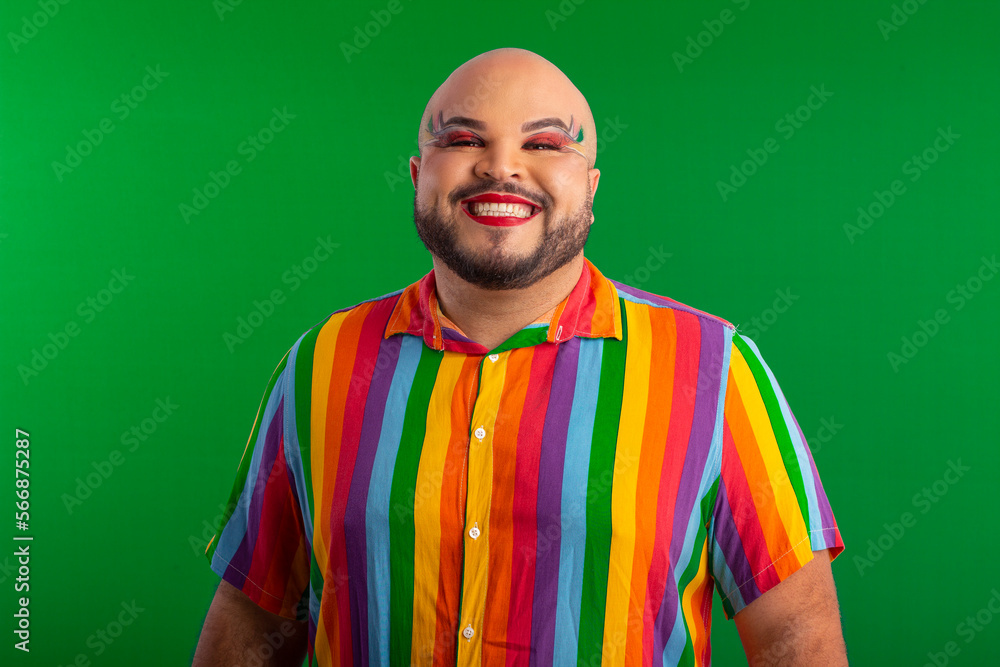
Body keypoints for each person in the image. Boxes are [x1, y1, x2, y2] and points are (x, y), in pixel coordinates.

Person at [193, 47, 847, 666]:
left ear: (589, 188)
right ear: (420, 177)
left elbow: (799, 637)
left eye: (543, 143)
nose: (502, 166)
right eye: (464, 139)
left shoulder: (716, 367)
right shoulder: (322, 362)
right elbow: (252, 627)